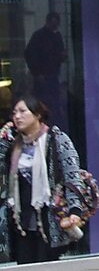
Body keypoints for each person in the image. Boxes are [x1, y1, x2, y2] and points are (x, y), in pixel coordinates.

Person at [0, 96, 85, 264]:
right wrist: (3, 139)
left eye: (23, 111)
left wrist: (75, 210)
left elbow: (72, 175)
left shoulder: (56, 139)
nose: (17, 116)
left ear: (37, 114)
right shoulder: (14, 145)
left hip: (50, 219)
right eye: (14, 112)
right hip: (22, 221)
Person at [23, 13, 66, 119]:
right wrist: (37, 73)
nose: (54, 27)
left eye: (56, 25)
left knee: (54, 103)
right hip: (41, 77)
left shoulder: (57, 36)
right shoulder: (38, 36)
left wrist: (62, 56)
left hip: (53, 75)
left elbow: (60, 55)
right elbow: (30, 55)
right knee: (42, 103)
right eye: (53, 24)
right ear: (48, 22)